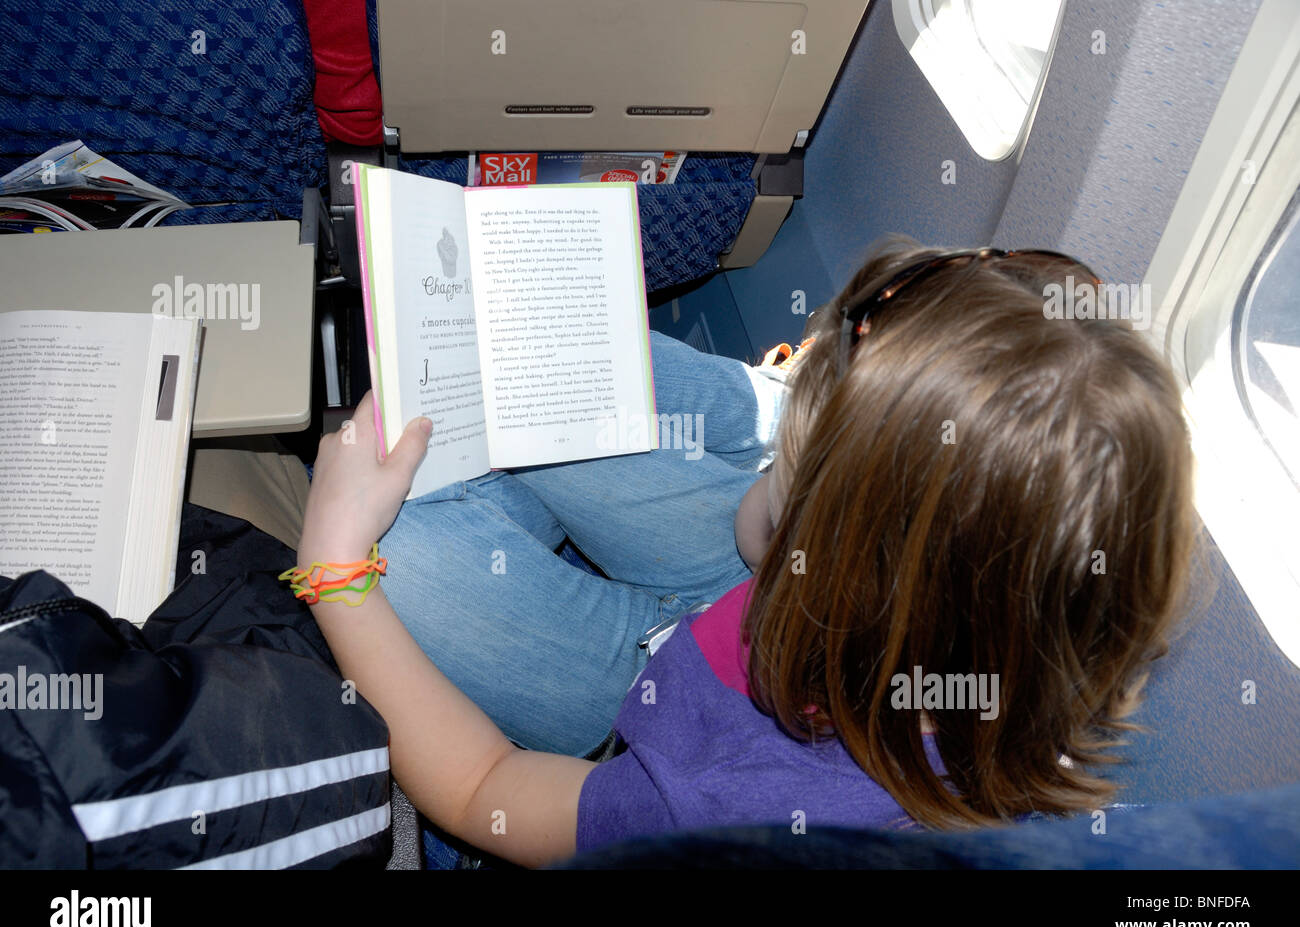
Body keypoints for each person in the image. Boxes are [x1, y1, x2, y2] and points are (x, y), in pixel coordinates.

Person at [294, 241, 1199, 867]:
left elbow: (482, 788)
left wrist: (335, 569)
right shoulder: (993, 626)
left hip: (659, 706)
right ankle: (764, 407)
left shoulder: (738, 809)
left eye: (793, 465)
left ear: (845, 554)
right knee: (528, 357)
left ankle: (758, 416)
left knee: (392, 535)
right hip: (771, 607)